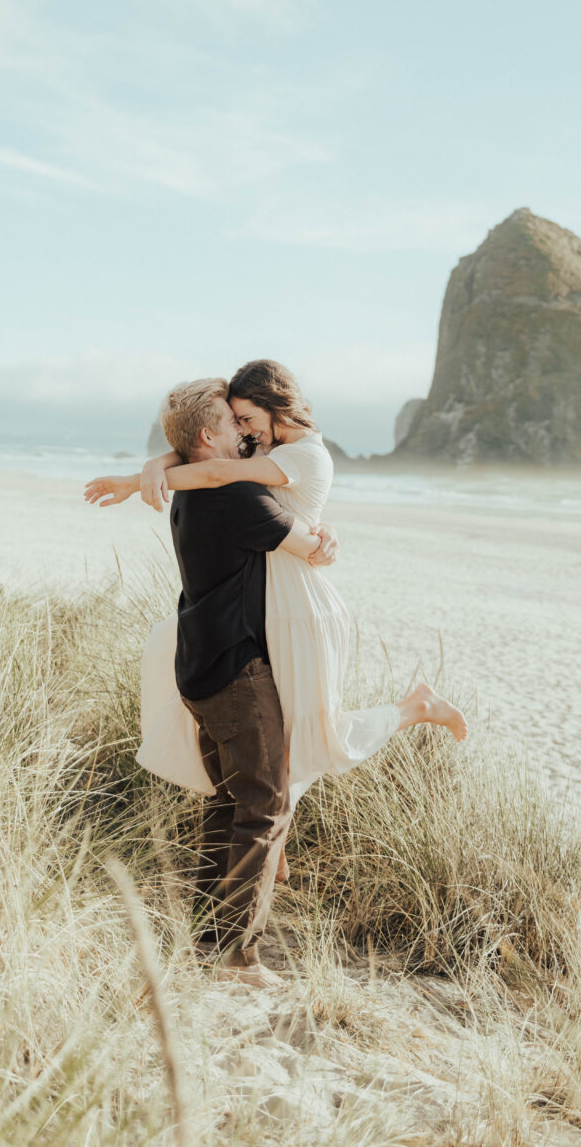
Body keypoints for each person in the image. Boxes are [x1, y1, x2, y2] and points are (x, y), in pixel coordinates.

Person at [87, 361, 467, 862]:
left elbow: (220, 470)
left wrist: (135, 481)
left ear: (272, 406)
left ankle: (414, 708)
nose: (242, 431)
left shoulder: (304, 455)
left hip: (301, 609)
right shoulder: (266, 447)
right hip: (267, 609)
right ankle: (273, 838)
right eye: (236, 421)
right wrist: (154, 467)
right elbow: (198, 447)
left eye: (246, 418)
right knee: (283, 737)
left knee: (317, 734)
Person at [87, 377, 335, 989]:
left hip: (199, 665)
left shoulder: (201, 491)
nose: (245, 433)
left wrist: (155, 465)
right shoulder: (236, 498)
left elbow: (196, 461)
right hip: (237, 671)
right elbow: (311, 548)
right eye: (233, 423)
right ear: (209, 435)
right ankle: (238, 957)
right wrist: (325, 539)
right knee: (264, 803)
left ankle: (207, 938)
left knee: (229, 803)